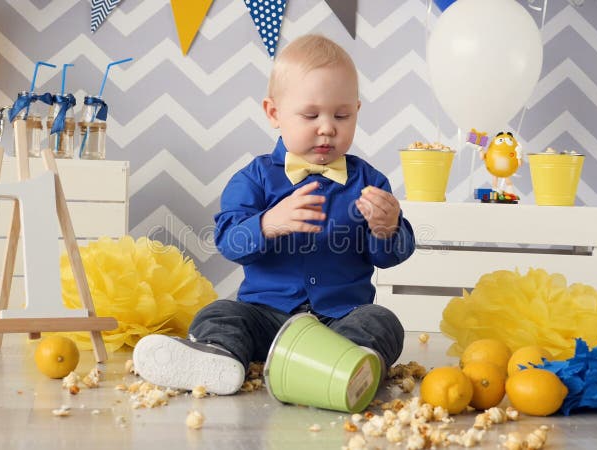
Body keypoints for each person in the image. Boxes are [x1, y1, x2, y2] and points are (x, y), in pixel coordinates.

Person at [133, 34, 415, 395]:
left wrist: (387, 229)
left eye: (341, 115)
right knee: (218, 313)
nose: (327, 127)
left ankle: (345, 365)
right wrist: (268, 224)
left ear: (356, 111)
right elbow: (228, 241)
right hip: (266, 317)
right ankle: (219, 358)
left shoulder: (370, 182)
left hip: (340, 319)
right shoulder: (254, 177)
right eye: (311, 115)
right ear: (274, 113)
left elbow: (389, 256)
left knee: (382, 320)